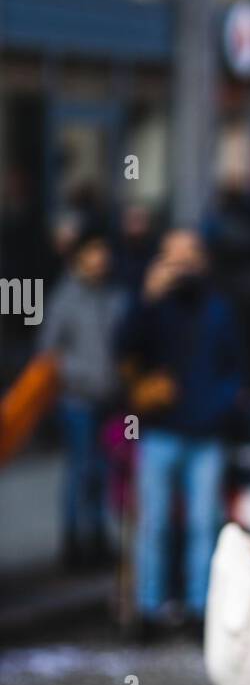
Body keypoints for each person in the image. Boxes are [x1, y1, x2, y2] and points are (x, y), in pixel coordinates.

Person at [116, 228, 244, 635]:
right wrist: (146, 299)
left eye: (190, 254)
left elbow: (235, 366)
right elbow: (122, 349)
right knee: (153, 524)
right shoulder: (152, 304)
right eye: (174, 255)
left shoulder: (218, 307)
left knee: (202, 524)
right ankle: (148, 610)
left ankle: (199, 609)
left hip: (205, 434)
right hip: (161, 431)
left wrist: (218, 408)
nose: (184, 263)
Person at [39, 231, 127, 569]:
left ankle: (98, 537)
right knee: (80, 469)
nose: (99, 259)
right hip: (78, 400)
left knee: (103, 471)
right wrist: (79, 376)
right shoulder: (66, 298)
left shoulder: (115, 296)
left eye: (103, 251)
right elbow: (49, 351)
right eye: (93, 252)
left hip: (108, 398)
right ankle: (74, 542)